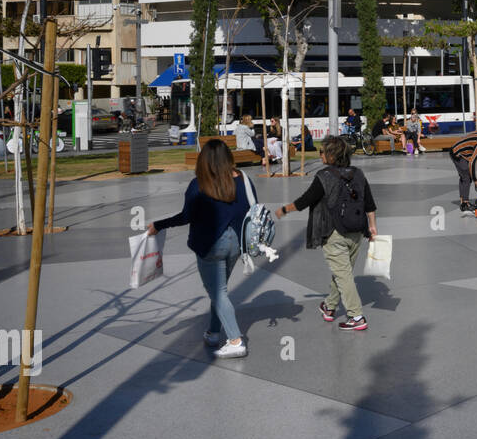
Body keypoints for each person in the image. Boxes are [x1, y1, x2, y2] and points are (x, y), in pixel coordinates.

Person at [146, 140, 251, 358]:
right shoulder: (243, 180)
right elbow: (251, 209)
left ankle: (235, 340)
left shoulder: (199, 184)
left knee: (218, 292)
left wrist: (158, 225)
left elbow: (186, 217)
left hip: (210, 244)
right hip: (236, 244)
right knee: (219, 290)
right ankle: (213, 332)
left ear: (204, 160)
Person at [273, 136, 377, 332]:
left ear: (331, 155)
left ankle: (356, 316)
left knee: (343, 275)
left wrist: (284, 210)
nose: (320, 155)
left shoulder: (324, 176)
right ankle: (329, 307)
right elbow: (369, 204)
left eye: (322, 152)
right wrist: (372, 227)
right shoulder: (358, 174)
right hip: (357, 231)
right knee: (342, 273)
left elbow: (305, 200)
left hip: (334, 232)